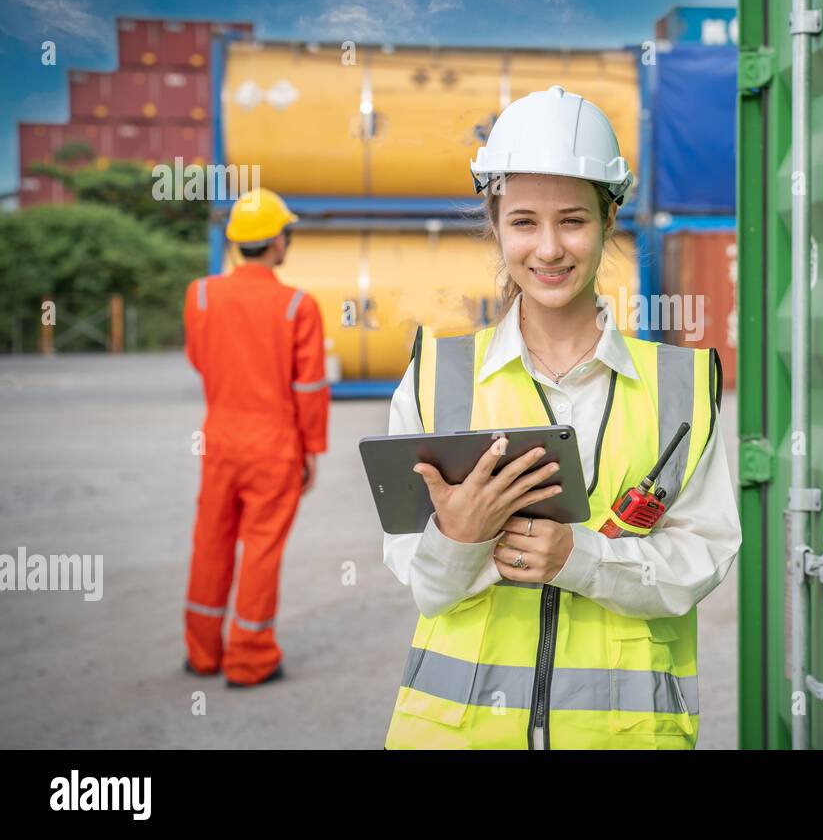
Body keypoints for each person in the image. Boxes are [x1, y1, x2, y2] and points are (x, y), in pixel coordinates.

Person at [382, 85, 742, 749]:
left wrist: (580, 557)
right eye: (523, 221)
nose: (548, 248)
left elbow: (702, 559)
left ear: (611, 218)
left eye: (572, 219)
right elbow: (426, 588)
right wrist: (457, 537)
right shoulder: (436, 379)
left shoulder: (681, 387)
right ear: (495, 223)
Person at [181, 188, 329, 687]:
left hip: (219, 438)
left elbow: (200, 361)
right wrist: (311, 449)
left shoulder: (200, 294)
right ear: (277, 242)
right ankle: (249, 659)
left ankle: (202, 652)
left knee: (211, 541)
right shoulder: (296, 306)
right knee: (261, 548)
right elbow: (308, 387)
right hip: (275, 444)